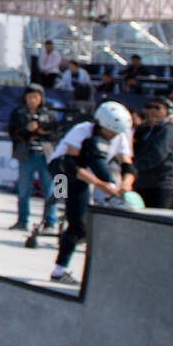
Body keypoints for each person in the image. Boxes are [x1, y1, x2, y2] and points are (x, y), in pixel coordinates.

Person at [46, 101, 136, 285]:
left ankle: (59, 270)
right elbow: (71, 165)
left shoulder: (120, 136)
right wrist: (101, 184)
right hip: (63, 170)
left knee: (79, 227)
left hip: (85, 175)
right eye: (110, 132)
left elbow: (128, 165)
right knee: (77, 222)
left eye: (116, 133)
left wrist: (127, 183)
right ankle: (60, 194)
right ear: (100, 125)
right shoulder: (82, 130)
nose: (113, 136)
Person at [7, 83, 58, 231]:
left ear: (41, 98)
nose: (32, 100)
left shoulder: (49, 114)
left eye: (35, 97)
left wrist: (44, 132)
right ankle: (22, 221)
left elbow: (57, 134)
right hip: (26, 155)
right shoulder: (19, 113)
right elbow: (12, 133)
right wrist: (27, 131)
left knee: (49, 190)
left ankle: (50, 221)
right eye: (29, 97)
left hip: (46, 155)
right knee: (23, 190)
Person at [132, 96, 173, 210]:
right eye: (149, 107)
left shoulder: (169, 129)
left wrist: (134, 167)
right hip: (143, 182)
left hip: (160, 184)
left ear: (167, 111)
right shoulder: (145, 129)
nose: (152, 111)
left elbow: (158, 154)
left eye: (157, 108)